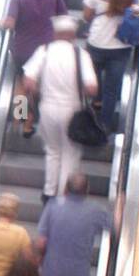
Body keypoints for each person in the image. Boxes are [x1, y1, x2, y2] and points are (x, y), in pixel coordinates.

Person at [22, 15, 100, 200]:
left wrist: (29, 105)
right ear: (73, 34)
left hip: (47, 108)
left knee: (52, 150)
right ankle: (63, 197)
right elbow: (92, 88)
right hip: (71, 109)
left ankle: (48, 191)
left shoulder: (44, 50)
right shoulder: (81, 54)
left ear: (55, 33)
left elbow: (28, 82)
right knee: (70, 153)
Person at [1, 0, 67, 136]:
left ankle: (22, 118)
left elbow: (11, 23)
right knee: (43, 82)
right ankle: (40, 117)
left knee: (22, 84)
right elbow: (64, 18)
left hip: (23, 49)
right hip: (47, 48)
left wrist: (2, 23)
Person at [36, 172, 113, 276]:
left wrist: (38, 262)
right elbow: (115, 228)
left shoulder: (53, 207)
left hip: (52, 273)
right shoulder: (95, 210)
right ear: (87, 190)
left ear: (65, 189)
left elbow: (41, 243)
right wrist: (119, 206)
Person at [83, 0, 139, 133]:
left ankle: (92, 108)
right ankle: (105, 124)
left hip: (96, 42)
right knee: (112, 88)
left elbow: (86, 16)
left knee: (92, 80)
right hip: (120, 47)